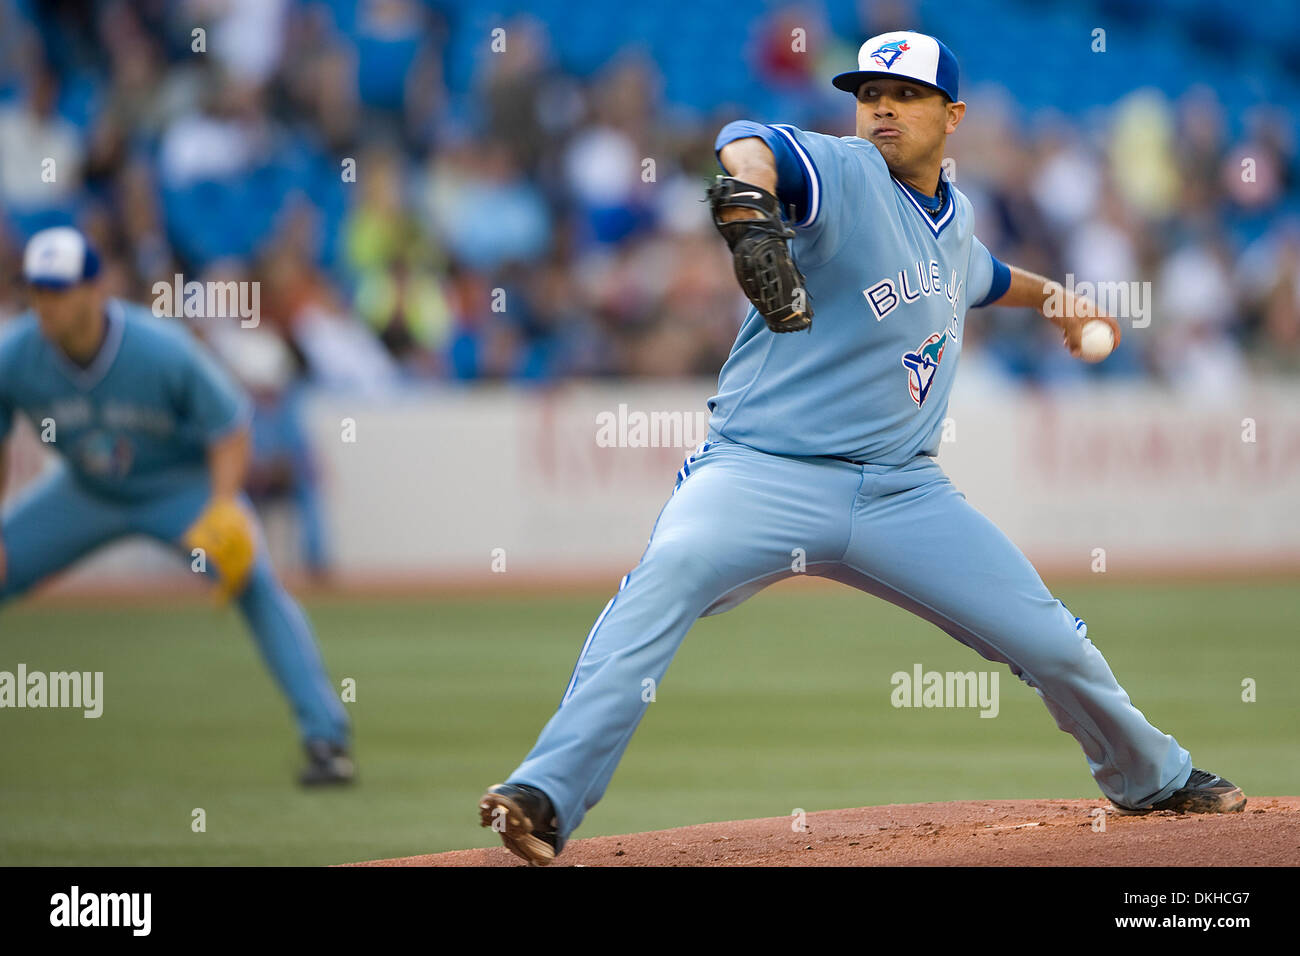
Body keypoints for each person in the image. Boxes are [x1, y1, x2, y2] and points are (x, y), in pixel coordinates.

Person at [478, 31, 1244, 865]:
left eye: (906, 93)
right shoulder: (844, 173)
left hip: (903, 495)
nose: (882, 104)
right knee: (662, 582)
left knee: (1051, 638)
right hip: (761, 473)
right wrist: (746, 201)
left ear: (952, 116)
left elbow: (978, 272)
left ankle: (1149, 776)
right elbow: (749, 142)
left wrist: (1052, 295)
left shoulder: (955, 219)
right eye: (869, 90)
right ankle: (545, 795)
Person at [0, 226, 353, 786]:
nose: (45, 303)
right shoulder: (15, 354)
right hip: (87, 489)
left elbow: (230, 424)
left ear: (95, 290)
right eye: (37, 290)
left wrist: (221, 507)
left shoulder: (157, 347)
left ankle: (326, 739)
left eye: (58, 290)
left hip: (177, 485)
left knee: (253, 578)